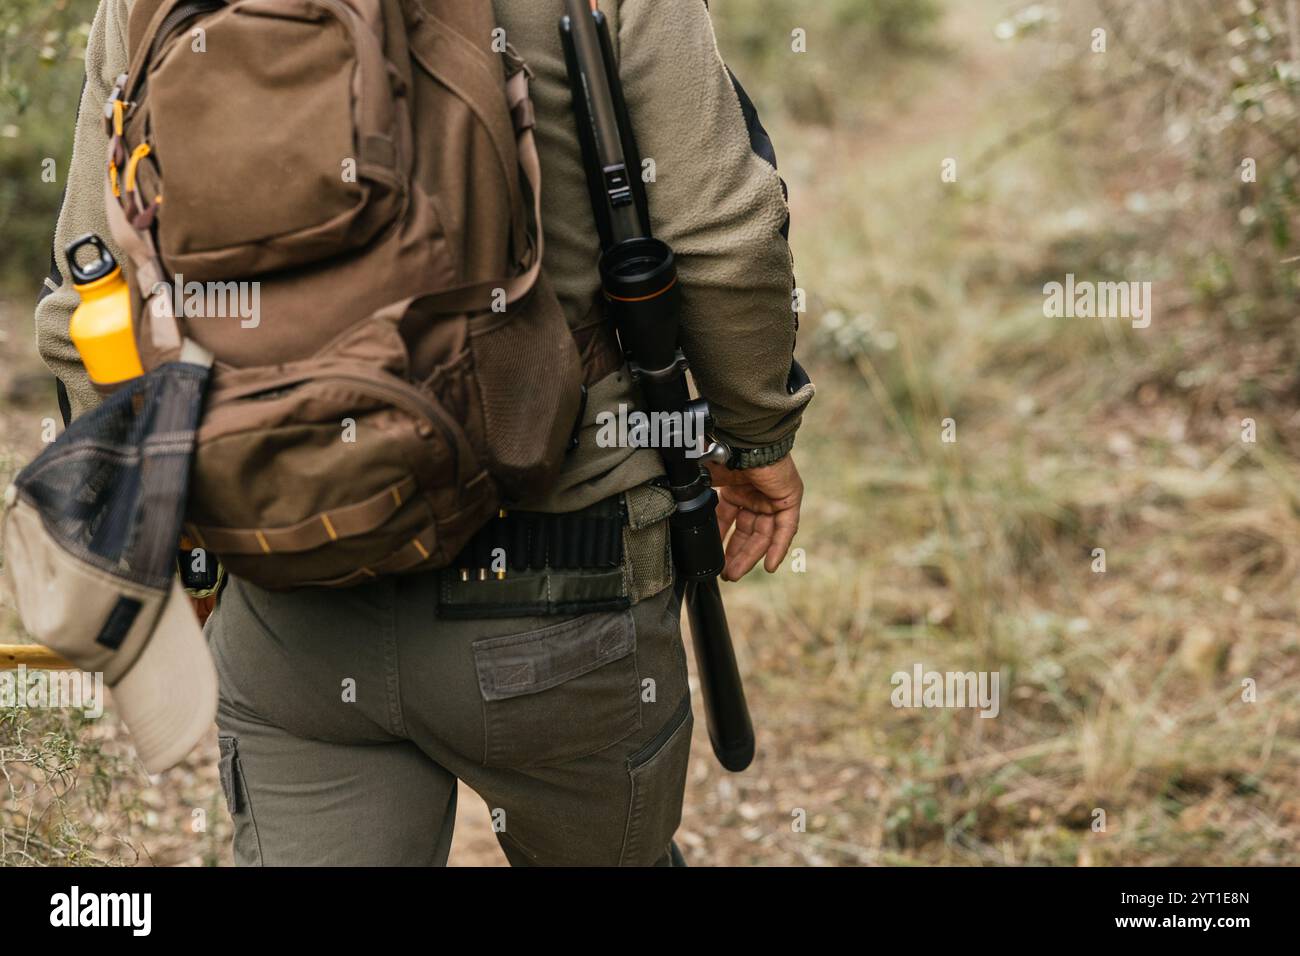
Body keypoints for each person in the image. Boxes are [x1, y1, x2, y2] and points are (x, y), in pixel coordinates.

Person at [37, 0, 813, 866]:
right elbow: (723, 240)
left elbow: (84, 308)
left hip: (288, 586)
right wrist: (755, 439)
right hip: (560, 574)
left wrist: (169, 533)